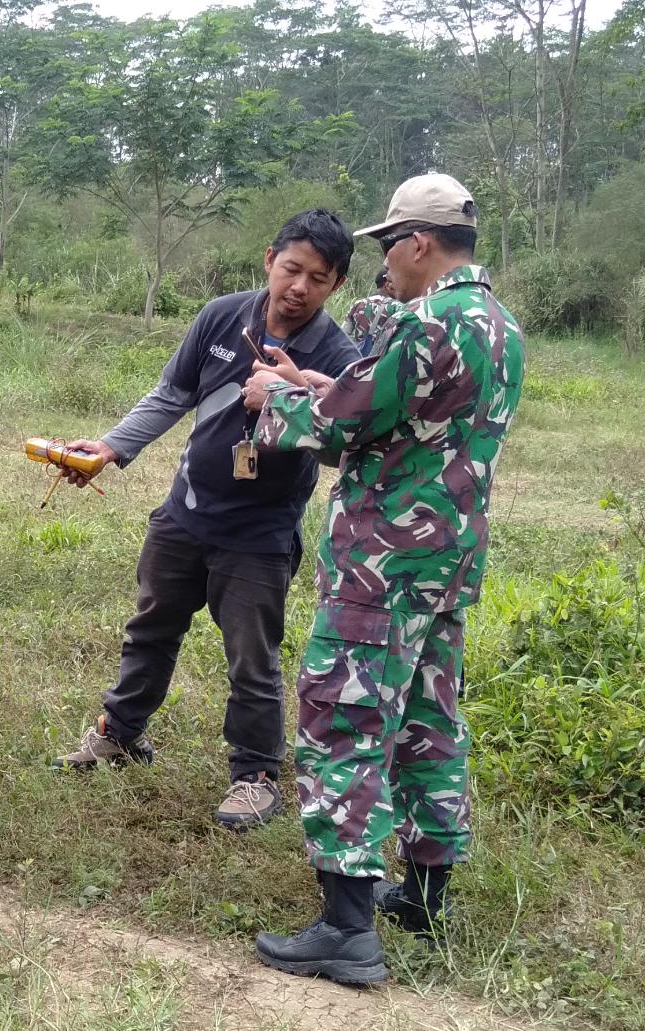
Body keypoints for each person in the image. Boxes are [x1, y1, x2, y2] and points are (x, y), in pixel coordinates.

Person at [241, 174, 524, 983]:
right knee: (429, 722)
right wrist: (317, 382)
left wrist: (274, 396)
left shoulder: (429, 321)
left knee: (345, 720)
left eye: (389, 246)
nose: (386, 263)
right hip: (446, 561)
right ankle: (426, 897)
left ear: (418, 243)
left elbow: (342, 425)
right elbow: (409, 415)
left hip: (383, 563)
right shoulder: (500, 326)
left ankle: (347, 928)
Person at [49, 210, 361, 831]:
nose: (299, 287)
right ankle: (120, 733)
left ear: (338, 285)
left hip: (259, 536)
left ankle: (255, 775)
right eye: (292, 269)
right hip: (184, 513)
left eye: (318, 279)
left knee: (251, 660)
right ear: (269, 259)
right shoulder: (222, 316)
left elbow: (342, 450)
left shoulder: (341, 356)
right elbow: (172, 394)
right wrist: (109, 448)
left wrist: (295, 395)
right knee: (150, 629)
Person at [342, 264, 402, 357]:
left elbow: (344, 333)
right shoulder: (398, 308)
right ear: (387, 284)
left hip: (355, 358)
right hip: (378, 360)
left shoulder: (359, 303)